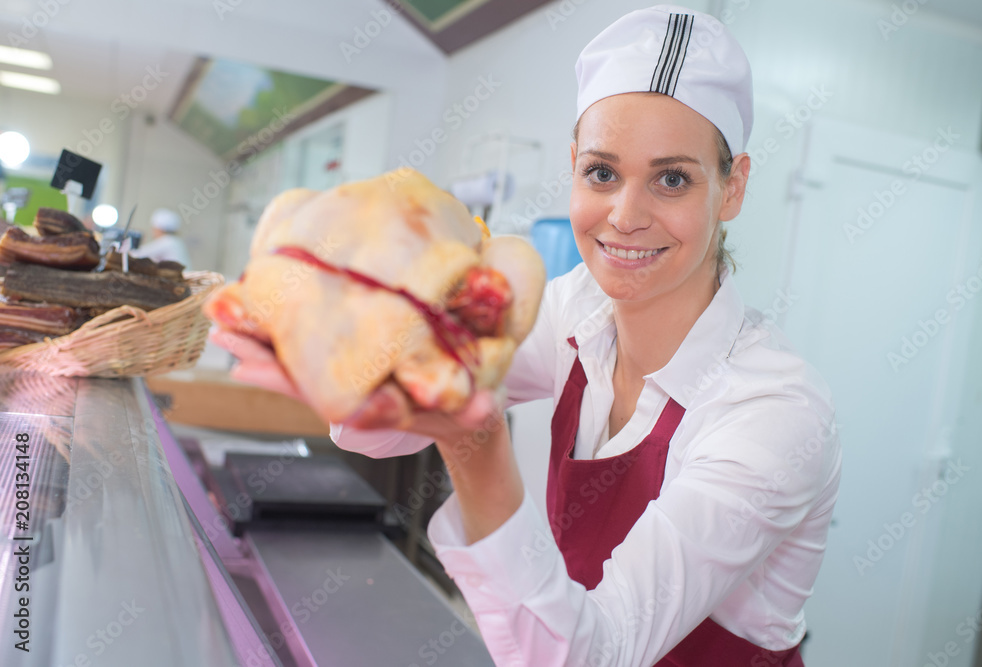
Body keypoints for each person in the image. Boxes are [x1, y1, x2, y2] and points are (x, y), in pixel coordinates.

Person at [213, 6, 841, 665]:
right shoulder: (576, 310)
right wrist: (342, 352)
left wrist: (473, 441)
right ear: (573, 166)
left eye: (672, 178)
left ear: (733, 186)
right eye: (602, 172)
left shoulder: (774, 411)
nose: (626, 216)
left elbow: (601, 652)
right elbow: (382, 431)